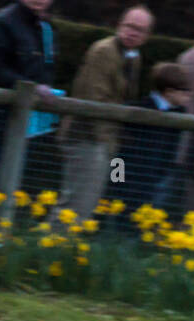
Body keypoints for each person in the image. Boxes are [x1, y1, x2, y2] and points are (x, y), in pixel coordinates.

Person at [0, 0, 57, 223]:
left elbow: (44, 69)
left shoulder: (45, 28)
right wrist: (27, 86)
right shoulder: (3, 22)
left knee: (10, 185)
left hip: (26, 121)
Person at [57, 5, 151, 218]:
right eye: (129, 26)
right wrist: (106, 145)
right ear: (119, 26)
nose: (132, 33)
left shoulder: (133, 58)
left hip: (105, 139)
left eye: (139, 30)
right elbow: (94, 99)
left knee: (87, 204)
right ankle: (50, 247)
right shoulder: (103, 51)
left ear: (146, 36)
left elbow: (124, 97)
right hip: (87, 136)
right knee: (75, 205)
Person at [119, 61, 190, 209]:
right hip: (128, 169)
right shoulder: (138, 108)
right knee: (118, 200)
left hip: (157, 172)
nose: (188, 96)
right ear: (169, 91)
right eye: (184, 92)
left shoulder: (180, 113)